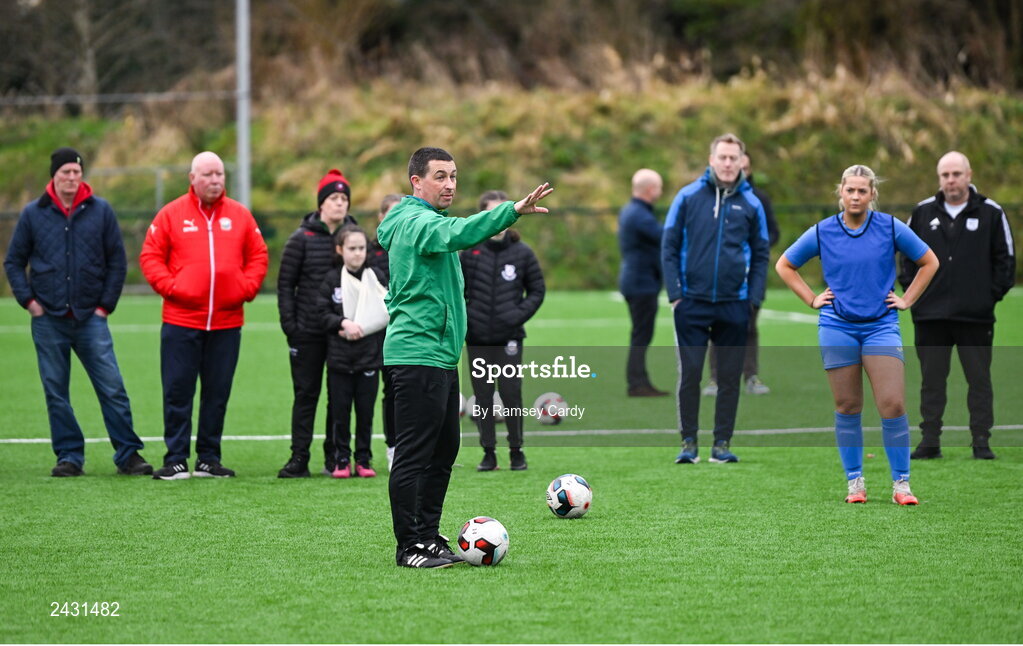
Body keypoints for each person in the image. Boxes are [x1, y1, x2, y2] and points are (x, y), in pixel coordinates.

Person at [377, 146, 552, 568]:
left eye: (454, 176)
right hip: (417, 354)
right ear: (416, 182)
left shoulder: (423, 220)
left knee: (444, 451)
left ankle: (428, 535)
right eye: (440, 176)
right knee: (415, 455)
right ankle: (409, 546)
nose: (450, 184)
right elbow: (456, 234)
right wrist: (509, 211)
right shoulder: (416, 222)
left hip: (439, 355)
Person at [776, 164, 939, 505]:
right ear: (841, 193)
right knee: (847, 405)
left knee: (892, 404)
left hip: (881, 326)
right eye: (849, 190)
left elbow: (929, 261)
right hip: (837, 326)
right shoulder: (822, 231)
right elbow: (785, 265)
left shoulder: (890, 227)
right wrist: (811, 298)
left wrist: (907, 299)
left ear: (872, 195)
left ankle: (902, 485)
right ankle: (855, 483)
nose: (855, 196)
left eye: (862, 191)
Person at [4, 147, 152, 477]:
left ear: (82, 175)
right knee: (56, 391)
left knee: (112, 387)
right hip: (49, 320)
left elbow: (117, 261)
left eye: (76, 172)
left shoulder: (101, 211)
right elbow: (14, 261)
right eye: (65, 173)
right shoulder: (33, 214)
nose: (71, 178)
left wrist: (104, 306)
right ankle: (69, 455)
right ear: (53, 176)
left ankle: (128, 454)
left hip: (90, 319)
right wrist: (29, 301)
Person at [140, 151, 269, 480]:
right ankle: (176, 458)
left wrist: (245, 287)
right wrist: (172, 287)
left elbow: (258, 255)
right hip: (180, 322)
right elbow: (151, 256)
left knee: (217, 393)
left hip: (227, 323)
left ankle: (209, 458)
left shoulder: (240, 215)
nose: (215, 180)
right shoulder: (171, 214)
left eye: (220, 174)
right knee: (177, 392)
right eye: (208, 175)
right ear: (192, 178)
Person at [661, 133, 770, 465]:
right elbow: (668, 246)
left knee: (729, 377)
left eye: (733, 158)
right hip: (691, 303)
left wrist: (753, 298)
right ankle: (689, 442)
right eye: (722, 157)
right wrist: (676, 294)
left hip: (734, 304)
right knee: (691, 373)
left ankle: (721, 444)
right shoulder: (688, 196)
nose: (727, 163)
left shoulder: (752, 204)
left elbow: (762, 252)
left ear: (742, 163)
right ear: (711, 160)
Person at [899, 151, 1015, 460]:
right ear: (939, 178)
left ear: (969, 174)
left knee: (979, 380)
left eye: (956, 174)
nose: (951, 180)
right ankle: (930, 440)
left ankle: (981, 440)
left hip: (974, 318)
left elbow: (1005, 262)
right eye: (945, 175)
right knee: (932, 381)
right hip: (930, 316)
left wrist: (986, 297)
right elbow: (906, 259)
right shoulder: (922, 213)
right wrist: (916, 296)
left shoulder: (991, 212)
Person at [276, 170, 357, 478]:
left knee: (338, 397)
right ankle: (299, 457)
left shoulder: (353, 237)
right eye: (334, 198)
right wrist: (291, 326)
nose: (340, 203)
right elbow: (286, 285)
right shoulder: (301, 238)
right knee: (306, 394)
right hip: (307, 332)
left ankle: (334, 457)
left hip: (341, 331)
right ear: (322, 203)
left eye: (344, 198)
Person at [462, 190, 546, 472]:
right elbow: (457, 290)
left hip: (510, 338)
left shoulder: (522, 253)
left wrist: (516, 316)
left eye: (503, 213)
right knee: (483, 398)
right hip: (477, 339)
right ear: (484, 217)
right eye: (492, 214)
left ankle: (516, 451)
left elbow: (537, 290)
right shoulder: (470, 252)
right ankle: (488, 453)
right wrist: (468, 319)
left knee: (511, 394)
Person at [704, 152, 781, 396]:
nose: (741, 170)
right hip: (720, 278)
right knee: (717, 328)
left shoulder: (759, 199)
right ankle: (716, 379)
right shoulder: (713, 198)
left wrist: (754, 248)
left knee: (748, 326)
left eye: (746, 167)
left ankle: (751, 376)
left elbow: (773, 233)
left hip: (750, 278)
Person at [318, 225, 388, 478]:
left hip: (369, 357)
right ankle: (340, 459)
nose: (358, 254)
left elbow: (387, 309)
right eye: (352, 249)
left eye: (361, 248)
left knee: (366, 413)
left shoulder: (376, 276)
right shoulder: (332, 279)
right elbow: (321, 313)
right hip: (338, 359)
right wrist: (342, 323)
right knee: (340, 411)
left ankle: (364, 459)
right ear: (340, 250)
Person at [618, 169, 669, 397]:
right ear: (650, 189)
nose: (660, 191)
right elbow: (666, 237)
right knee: (641, 335)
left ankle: (640, 380)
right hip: (641, 283)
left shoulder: (634, 211)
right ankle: (637, 383)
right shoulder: (640, 215)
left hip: (637, 281)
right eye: (659, 187)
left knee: (640, 334)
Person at [367, 193, 402, 470]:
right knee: (383, 393)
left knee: (403, 392)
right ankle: (389, 448)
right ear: (381, 218)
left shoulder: (411, 245)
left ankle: (409, 448)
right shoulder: (368, 253)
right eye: (390, 214)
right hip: (374, 334)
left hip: (405, 332)